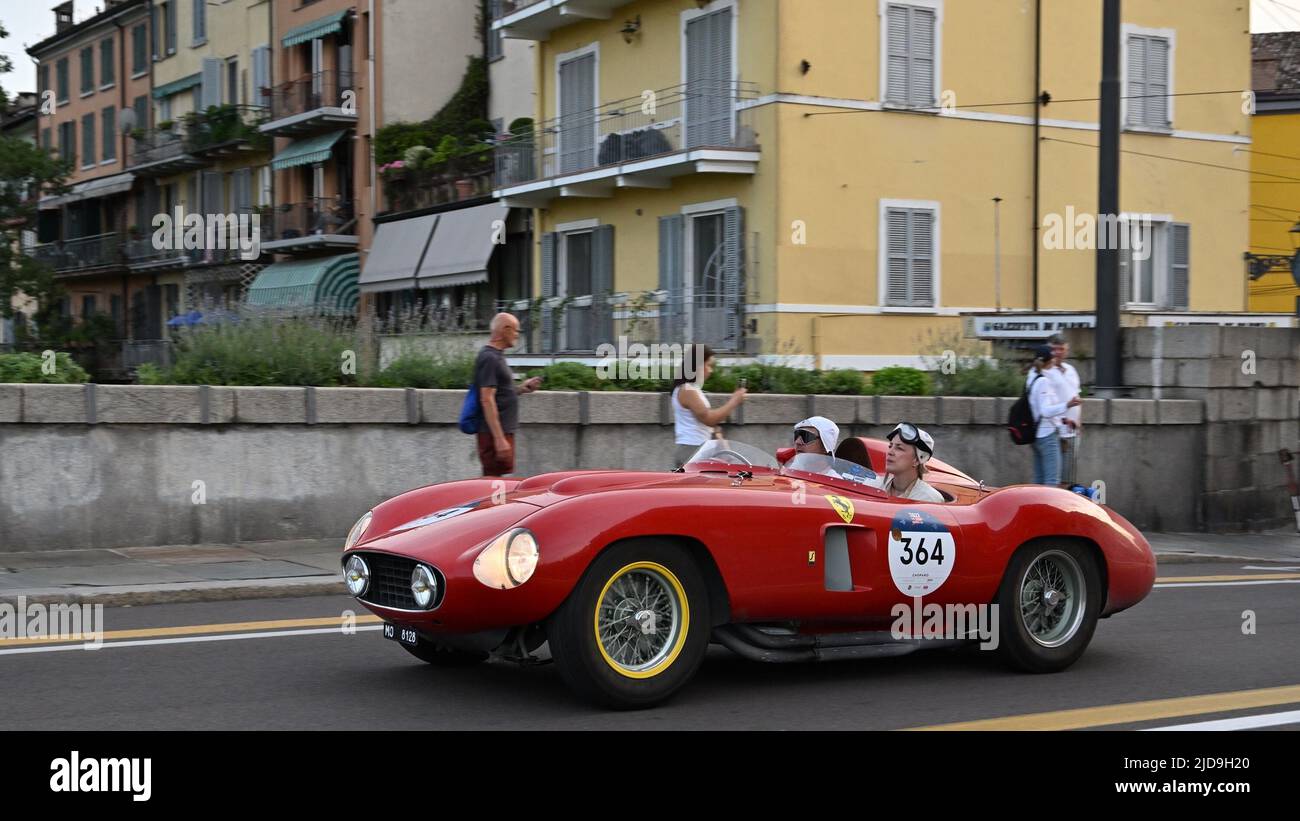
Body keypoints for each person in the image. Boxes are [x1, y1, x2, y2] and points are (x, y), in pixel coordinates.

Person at [474, 312, 542, 476]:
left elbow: (498, 394)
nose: (517, 336)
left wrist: (521, 389)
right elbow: (487, 399)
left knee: (499, 484)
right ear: (505, 329)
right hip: (494, 435)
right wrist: (499, 439)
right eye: (516, 331)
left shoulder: (496, 356)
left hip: (501, 433)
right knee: (495, 486)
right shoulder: (489, 357)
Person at [671, 343, 746, 469]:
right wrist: (734, 401)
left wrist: (717, 434)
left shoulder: (692, 389)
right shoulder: (687, 390)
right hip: (691, 450)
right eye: (709, 365)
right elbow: (709, 418)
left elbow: (704, 421)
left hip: (699, 449)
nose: (711, 370)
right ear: (698, 365)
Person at [1027, 343, 1081, 486]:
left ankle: (1035, 508)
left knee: (1039, 480)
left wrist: (1063, 420)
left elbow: (1038, 408)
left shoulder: (1031, 377)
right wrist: (1067, 405)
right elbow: (1045, 411)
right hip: (1047, 436)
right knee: (1052, 481)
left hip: (1036, 435)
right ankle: (1047, 508)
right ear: (1049, 361)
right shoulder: (1043, 380)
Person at [878, 422, 946, 502]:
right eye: (890, 446)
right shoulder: (874, 487)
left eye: (899, 448)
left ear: (917, 460)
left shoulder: (930, 499)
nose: (890, 452)